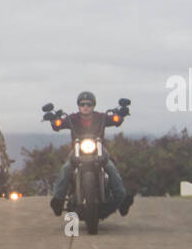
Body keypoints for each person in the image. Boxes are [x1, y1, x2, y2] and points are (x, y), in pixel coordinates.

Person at [48, 90, 134, 218]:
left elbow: (116, 120)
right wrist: (54, 120)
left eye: (89, 104)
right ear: (78, 106)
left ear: (93, 105)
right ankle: (58, 200)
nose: (86, 107)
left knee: (111, 168)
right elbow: (57, 125)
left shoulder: (102, 117)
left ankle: (121, 198)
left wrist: (121, 114)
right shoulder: (72, 118)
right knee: (66, 169)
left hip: (99, 150)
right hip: (77, 150)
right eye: (82, 104)